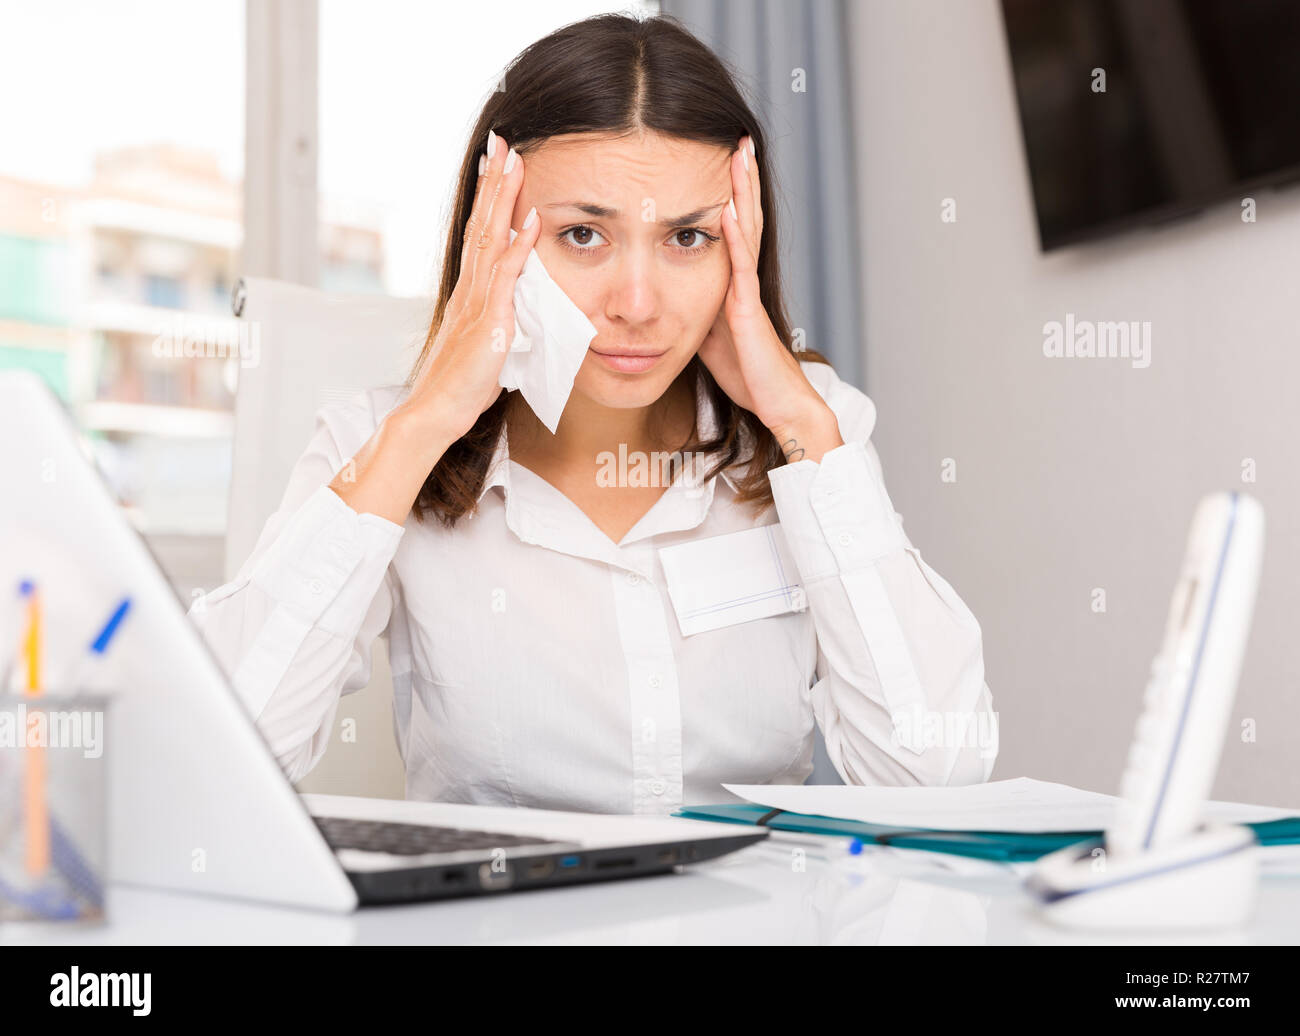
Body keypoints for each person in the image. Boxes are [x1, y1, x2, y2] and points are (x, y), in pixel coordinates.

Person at [189, 13, 997, 815]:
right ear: (492, 235)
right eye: (582, 234)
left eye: (688, 238)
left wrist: (802, 423)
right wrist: (425, 419)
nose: (638, 305)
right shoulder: (380, 444)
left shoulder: (817, 435)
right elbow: (217, 757)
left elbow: (934, 776)